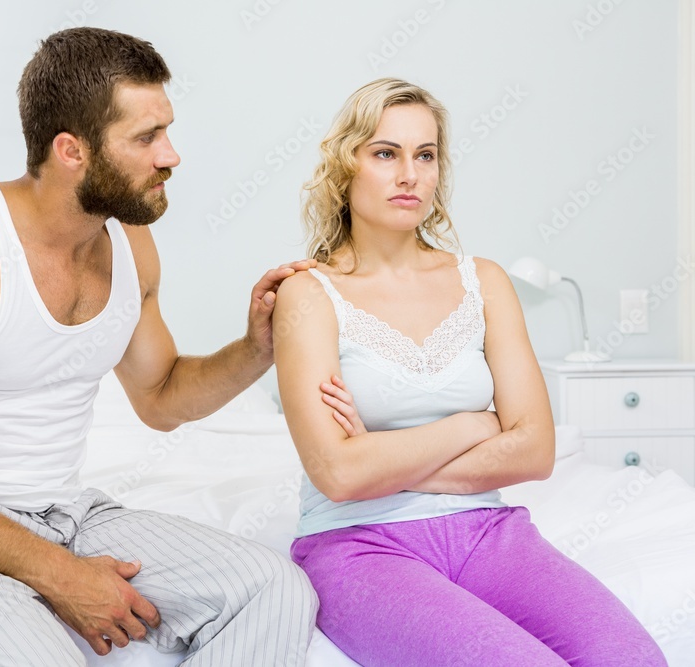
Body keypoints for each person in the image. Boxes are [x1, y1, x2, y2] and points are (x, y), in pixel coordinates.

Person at [0, 27, 318, 667]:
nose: (171, 155)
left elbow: (160, 396)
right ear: (72, 150)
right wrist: (61, 576)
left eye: (166, 131)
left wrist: (257, 348)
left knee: (273, 589)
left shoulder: (129, 242)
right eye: (146, 138)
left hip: (67, 515)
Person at [273, 78, 667, 666]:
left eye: (425, 155)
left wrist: (381, 457)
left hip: (489, 530)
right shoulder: (308, 294)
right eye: (386, 153)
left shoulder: (483, 282)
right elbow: (338, 476)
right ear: (344, 165)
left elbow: (535, 451)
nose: (410, 174)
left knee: (634, 659)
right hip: (357, 545)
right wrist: (473, 426)